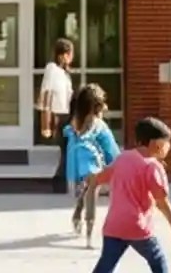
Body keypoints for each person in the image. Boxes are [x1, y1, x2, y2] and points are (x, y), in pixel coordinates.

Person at [90, 117, 171, 273]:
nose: (169, 147)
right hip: (137, 226)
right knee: (157, 258)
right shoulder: (152, 166)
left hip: (114, 225)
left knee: (106, 264)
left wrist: (89, 180)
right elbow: (162, 202)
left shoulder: (122, 158)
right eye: (168, 143)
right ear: (156, 144)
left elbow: (99, 178)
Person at [64, 83, 121, 248]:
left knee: (89, 187)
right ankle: (89, 232)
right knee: (92, 190)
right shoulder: (95, 122)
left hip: (81, 157)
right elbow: (107, 145)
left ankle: (77, 215)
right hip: (91, 158)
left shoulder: (77, 120)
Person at [40, 37, 75, 193]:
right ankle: (59, 182)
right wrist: (45, 122)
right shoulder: (52, 69)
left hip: (67, 115)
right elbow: (46, 93)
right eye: (70, 54)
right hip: (58, 116)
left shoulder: (64, 73)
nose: (71, 57)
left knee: (67, 149)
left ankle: (61, 181)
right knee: (66, 149)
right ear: (63, 55)